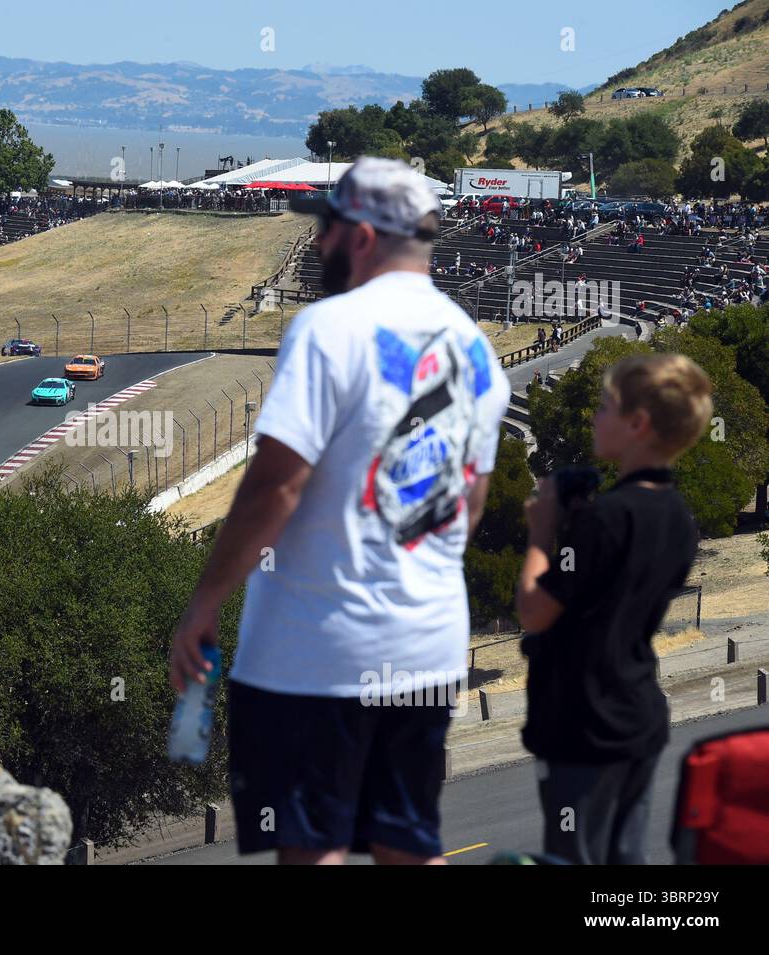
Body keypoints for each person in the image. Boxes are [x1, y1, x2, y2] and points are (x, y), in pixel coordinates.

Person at [168, 156, 511, 865]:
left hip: (317, 653)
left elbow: (276, 486)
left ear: (361, 235)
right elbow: (471, 500)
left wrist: (204, 602)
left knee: (313, 846)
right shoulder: (476, 349)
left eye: (325, 227)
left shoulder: (329, 328)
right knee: (406, 840)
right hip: (429, 643)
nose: (317, 244)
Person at [515, 353, 711, 864]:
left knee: (575, 857)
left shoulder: (605, 520)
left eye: (605, 407)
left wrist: (541, 534)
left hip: (584, 722)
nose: (595, 416)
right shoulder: (680, 516)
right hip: (635, 714)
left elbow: (535, 612)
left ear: (638, 424)